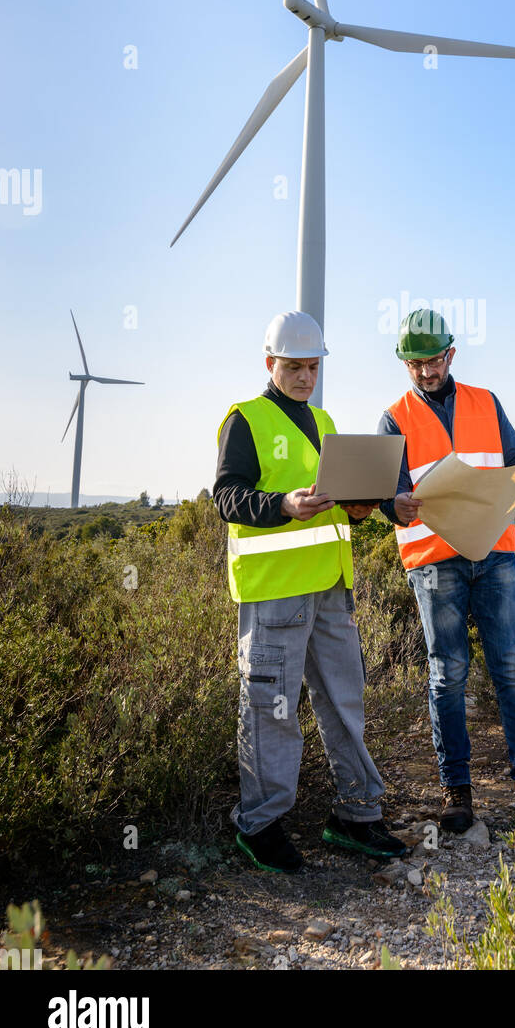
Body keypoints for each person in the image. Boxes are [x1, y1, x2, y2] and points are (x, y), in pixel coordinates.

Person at [214, 310, 406, 871]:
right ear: (270, 362)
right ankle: (260, 825)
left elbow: (337, 503)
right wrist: (283, 506)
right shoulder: (244, 420)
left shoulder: (323, 421)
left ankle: (356, 815)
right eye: (293, 366)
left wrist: (360, 507)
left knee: (345, 701)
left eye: (312, 365)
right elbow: (226, 497)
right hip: (274, 593)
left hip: (330, 591)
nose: (304, 376)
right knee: (271, 708)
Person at [377, 309, 515, 835]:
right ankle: (455, 792)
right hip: (435, 564)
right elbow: (386, 497)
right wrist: (396, 505)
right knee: (448, 676)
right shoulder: (394, 419)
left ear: (451, 355)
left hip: (495, 554)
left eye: (431, 360)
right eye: (413, 364)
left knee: (512, 672)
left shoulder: (486, 402)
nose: (423, 372)